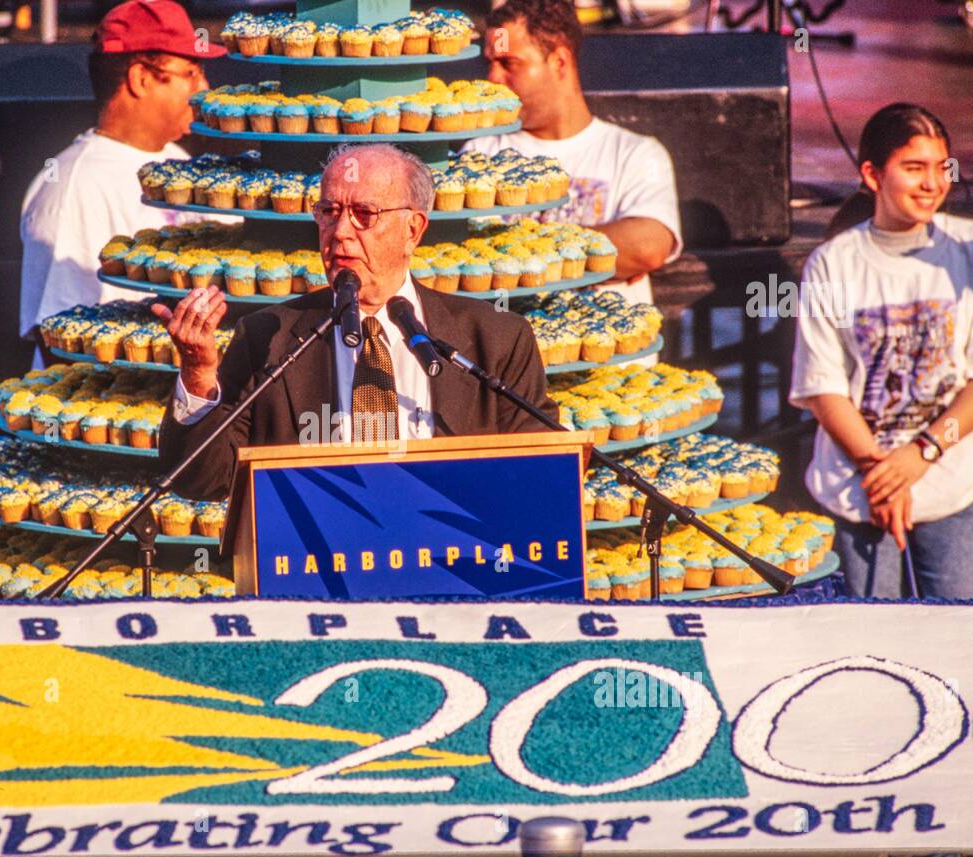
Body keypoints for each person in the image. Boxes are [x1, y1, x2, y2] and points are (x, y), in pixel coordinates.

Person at [156, 143, 560, 503]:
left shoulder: (494, 338)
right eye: (329, 212)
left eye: (364, 214)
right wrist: (197, 375)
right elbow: (200, 481)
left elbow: (541, 476)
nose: (340, 232)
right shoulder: (269, 336)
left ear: (413, 229)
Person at [789, 103, 973, 598]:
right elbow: (823, 389)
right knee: (864, 651)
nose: (932, 183)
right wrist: (878, 471)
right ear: (872, 174)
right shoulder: (832, 263)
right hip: (859, 493)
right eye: (914, 168)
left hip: (954, 490)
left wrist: (922, 453)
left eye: (941, 168)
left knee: (960, 646)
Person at [18, 0, 225, 369]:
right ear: (141, 79)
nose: (205, 87)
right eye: (191, 73)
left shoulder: (177, 160)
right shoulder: (73, 186)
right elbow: (57, 342)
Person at [463, 0, 681, 310]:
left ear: (560, 61)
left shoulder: (635, 153)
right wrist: (600, 257)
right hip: (512, 353)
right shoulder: (480, 154)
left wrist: (518, 251)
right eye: (490, 63)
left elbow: (646, 246)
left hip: (613, 356)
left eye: (509, 63)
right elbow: (466, 255)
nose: (493, 78)